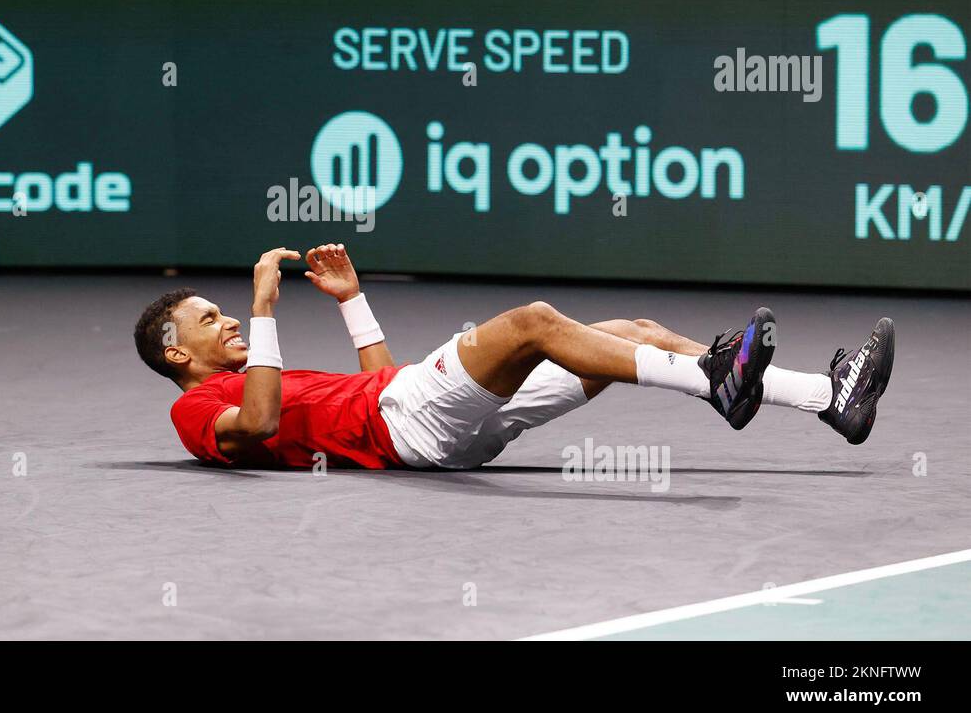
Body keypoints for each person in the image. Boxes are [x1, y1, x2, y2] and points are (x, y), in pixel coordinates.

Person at [135, 245, 894, 470]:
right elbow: (261, 424)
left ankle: (834, 398)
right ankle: (715, 383)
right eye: (210, 318)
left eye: (230, 310)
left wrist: (351, 300)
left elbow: (377, 385)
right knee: (531, 321)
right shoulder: (195, 407)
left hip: (425, 425)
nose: (229, 318)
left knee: (637, 329)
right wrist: (266, 310)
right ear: (176, 352)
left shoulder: (252, 375)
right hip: (410, 429)